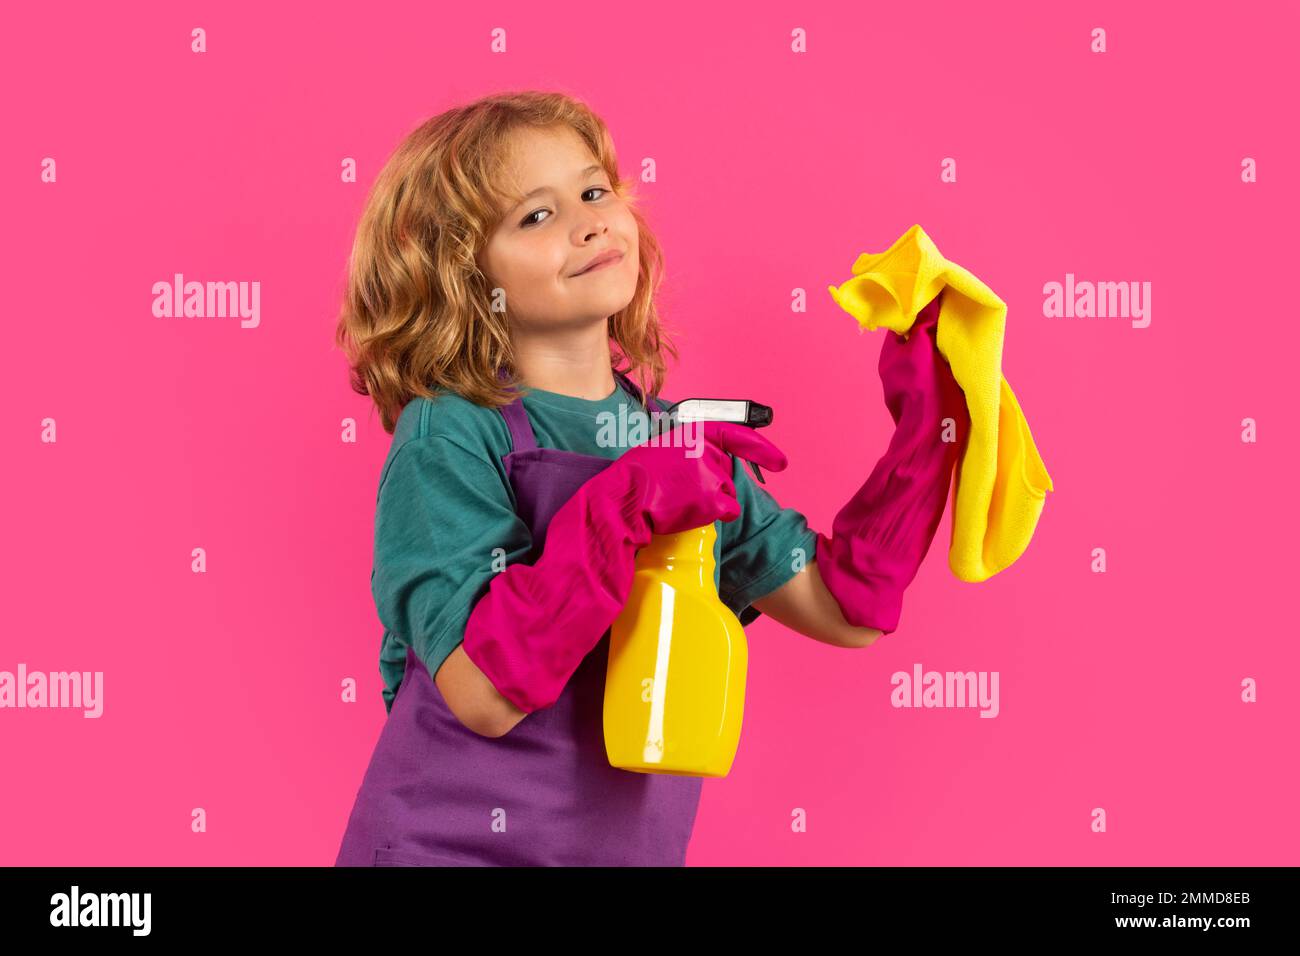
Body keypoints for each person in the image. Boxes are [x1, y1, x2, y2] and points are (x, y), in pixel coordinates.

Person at [331, 91, 967, 866]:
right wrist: (626, 502)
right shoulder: (453, 432)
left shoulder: (672, 442)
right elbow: (482, 693)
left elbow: (847, 606)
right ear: (460, 274)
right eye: (536, 216)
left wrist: (935, 422)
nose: (590, 220)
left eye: (595, 191)